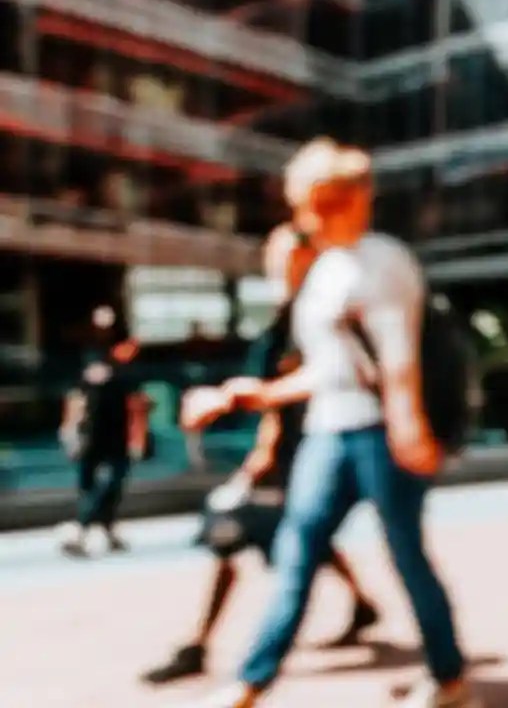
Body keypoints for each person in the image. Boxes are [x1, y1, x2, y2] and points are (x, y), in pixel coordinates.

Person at [180, 138, 479, 708]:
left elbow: (397, 356)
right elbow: (325, 368)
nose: (305, 214)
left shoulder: (382, 261)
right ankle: (251, 681)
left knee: (405, 553)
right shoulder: (324, 271)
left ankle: (449, 678)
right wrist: (255, 394)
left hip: (378, 433)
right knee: (297, 547)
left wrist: (409, 427)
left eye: (315, 201)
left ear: (341, 201)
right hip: (327, 431)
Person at [141, 226, 379, 686]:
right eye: (274, 254)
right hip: (302, 456)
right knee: (302, 541)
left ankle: (217, 654)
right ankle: (359, 604)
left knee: (234, 537)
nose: (278, 264)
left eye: (289, 255)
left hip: (305, 455)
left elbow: (293, 397)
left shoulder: (310, 319)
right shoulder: (290, 321)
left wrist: (261, 455)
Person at [58, 306, 150, 557]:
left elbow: (137, 402)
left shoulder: (127, 358)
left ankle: (84, 528)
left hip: (117, 432)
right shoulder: (87, 356)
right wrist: (69, 428)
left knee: (112, 482)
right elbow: (76, 396)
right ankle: (101, 529)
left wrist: (137, 437)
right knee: (88, 484)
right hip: (90, 432)